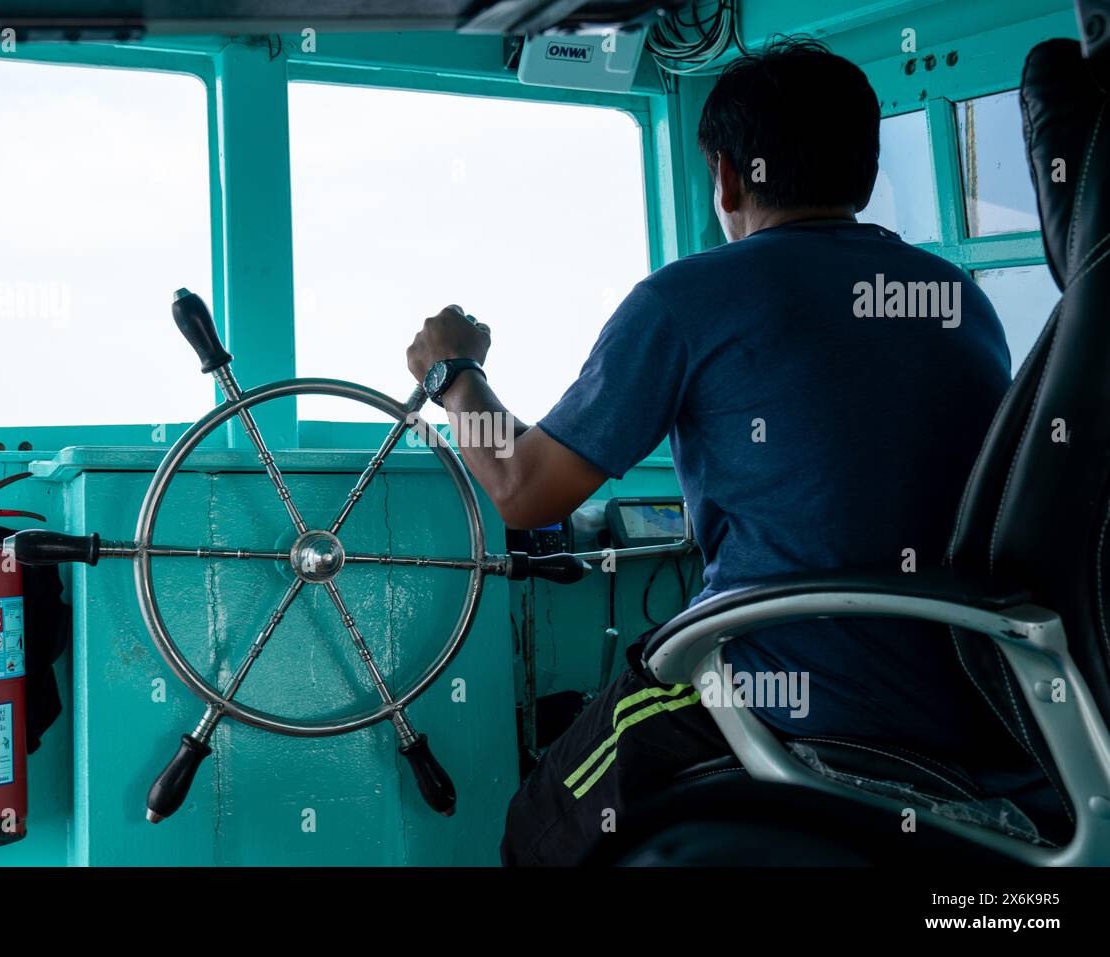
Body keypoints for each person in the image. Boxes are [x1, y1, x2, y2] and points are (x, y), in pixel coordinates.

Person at [404, 38, 1012, 865]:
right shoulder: (957, 298)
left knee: (539, 828)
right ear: (865, 175)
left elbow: (521, 489)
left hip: (790, 691)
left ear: (726, 176)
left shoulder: (691, 296)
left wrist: (453, 372)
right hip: (972, 699)